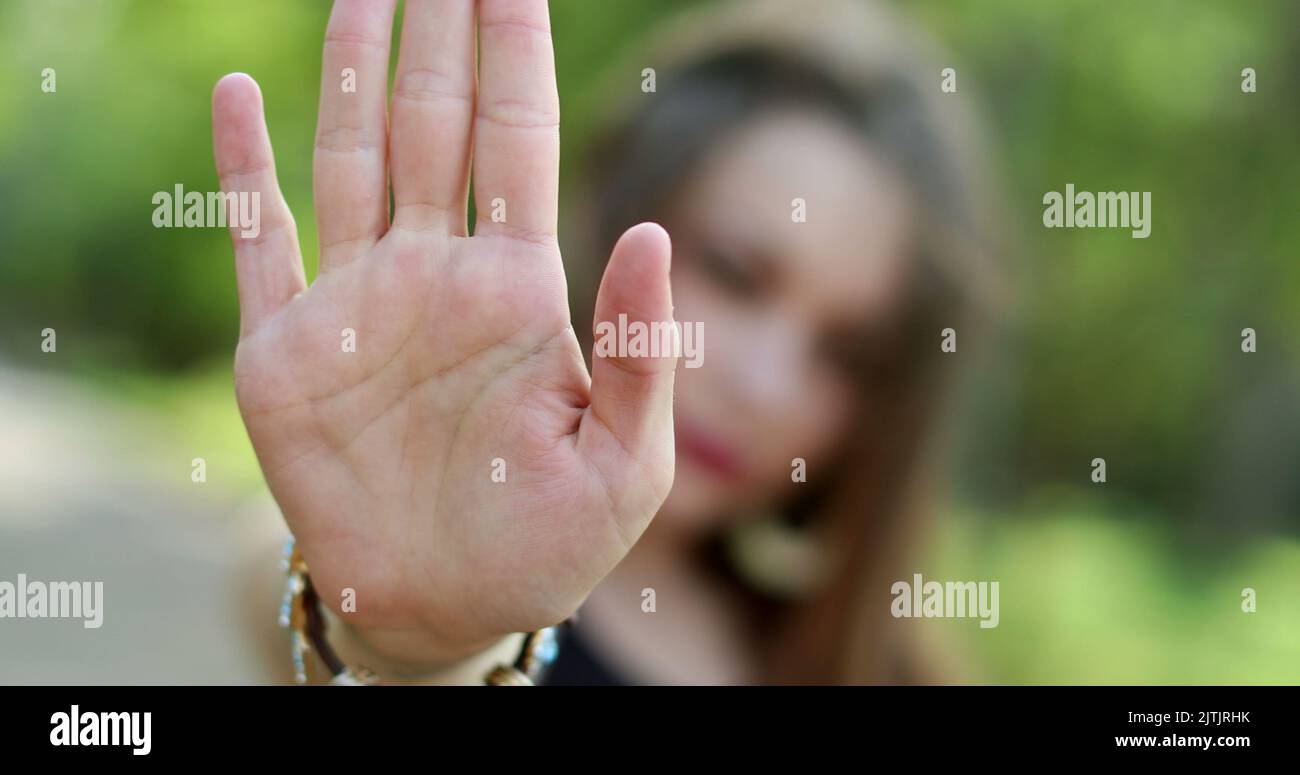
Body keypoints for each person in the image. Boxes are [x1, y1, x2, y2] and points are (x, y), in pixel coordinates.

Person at [212, 0, 1001, 685]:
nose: (765, 384)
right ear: (610, 214)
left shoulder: (872, 666)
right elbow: (329, 623)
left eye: (845, 355)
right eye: (733, 275)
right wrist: (424, 647)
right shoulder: (326, 561)